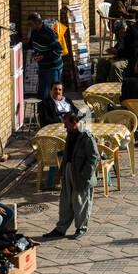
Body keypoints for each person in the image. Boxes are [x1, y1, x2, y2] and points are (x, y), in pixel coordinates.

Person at [41, 110, 100, 240]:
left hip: (81, 176)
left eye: (66, 124)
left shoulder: (86, 137)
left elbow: (94, 158)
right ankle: (61, 228)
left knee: (80, 203)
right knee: (65, 203)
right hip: (69, 172)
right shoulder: (70, 135)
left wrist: (85, 175)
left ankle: (81, 228)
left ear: (74, 123)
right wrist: (61, 170)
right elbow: (67, 154)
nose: (64, 127)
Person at [26, 13, 63, 101]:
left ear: (37, 23)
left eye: (31, 24)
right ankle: (44, 113)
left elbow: (58, 50)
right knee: (42, 94)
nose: (30, 26)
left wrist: (43, 57)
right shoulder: (34, 32)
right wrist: (18, 47)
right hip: (43, 67)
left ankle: (56, 112)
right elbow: (31, 45)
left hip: (53, 67)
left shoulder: (49, 33)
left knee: (55, 93)